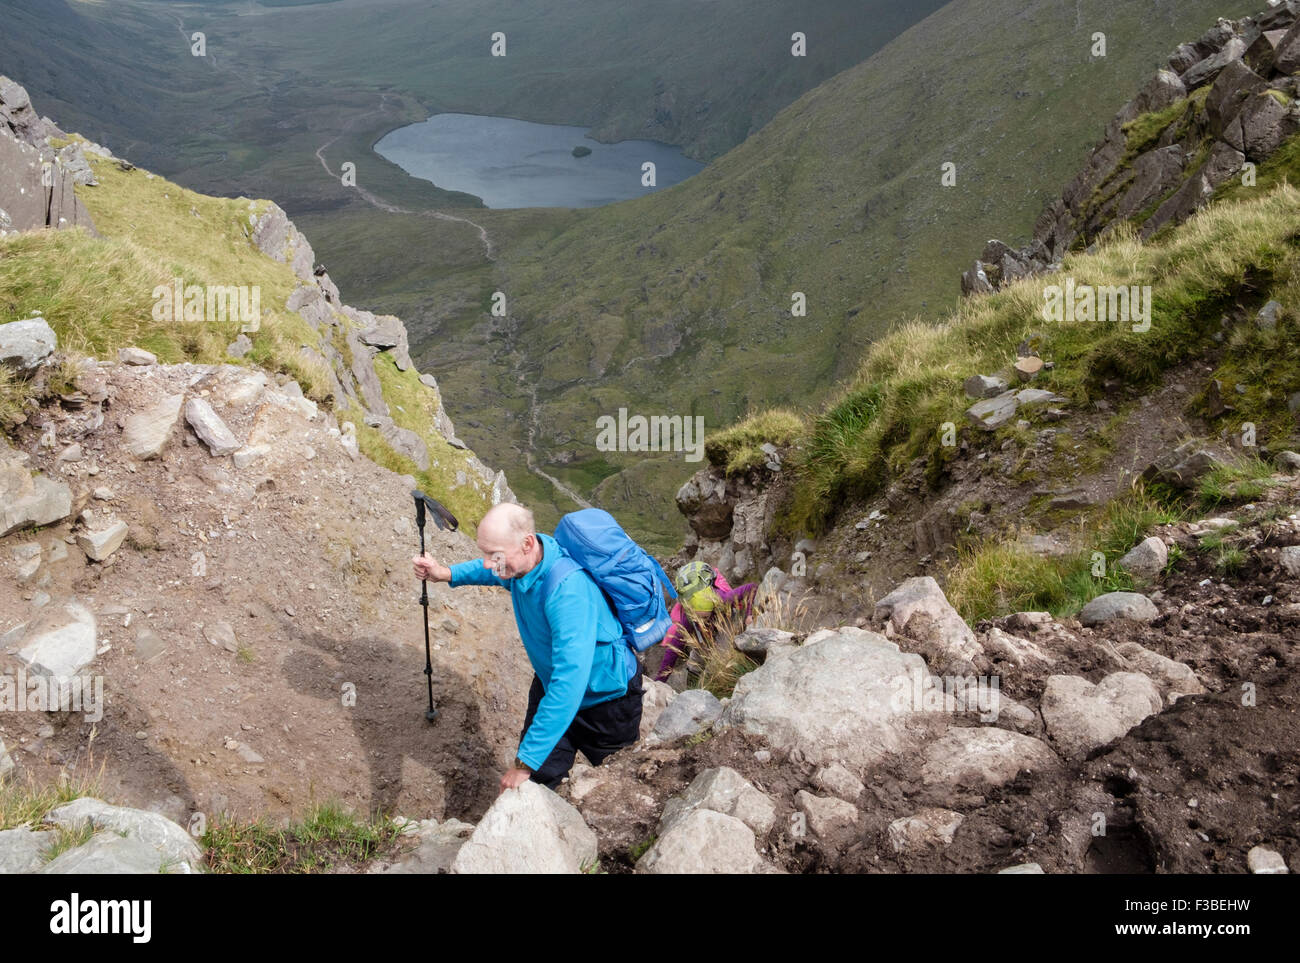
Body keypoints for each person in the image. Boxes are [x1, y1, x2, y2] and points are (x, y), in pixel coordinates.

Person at [412, 502, 642, 792]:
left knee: (616, 786)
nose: (487, 562)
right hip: (552, 686)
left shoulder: (567, 591)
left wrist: (525, 762)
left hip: (607, 702)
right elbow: (492, 570)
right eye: (485, 552)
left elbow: (569, 684)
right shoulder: (523, 564)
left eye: (493, 554)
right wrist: (446, 573)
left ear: (527, 543)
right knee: (534, 785)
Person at [655, 560, 757, 682]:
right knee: (695, 661)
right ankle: (691, 687)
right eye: (697, 618)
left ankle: (715, 682)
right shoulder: (687, 619)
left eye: (704, 617)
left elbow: (752, 587)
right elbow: (672, 652)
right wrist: (659, 681)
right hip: (703, 632)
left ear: (713, 607)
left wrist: (749, 614)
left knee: (721, 656)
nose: (701, 621)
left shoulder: (722, 599)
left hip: (725, 620)